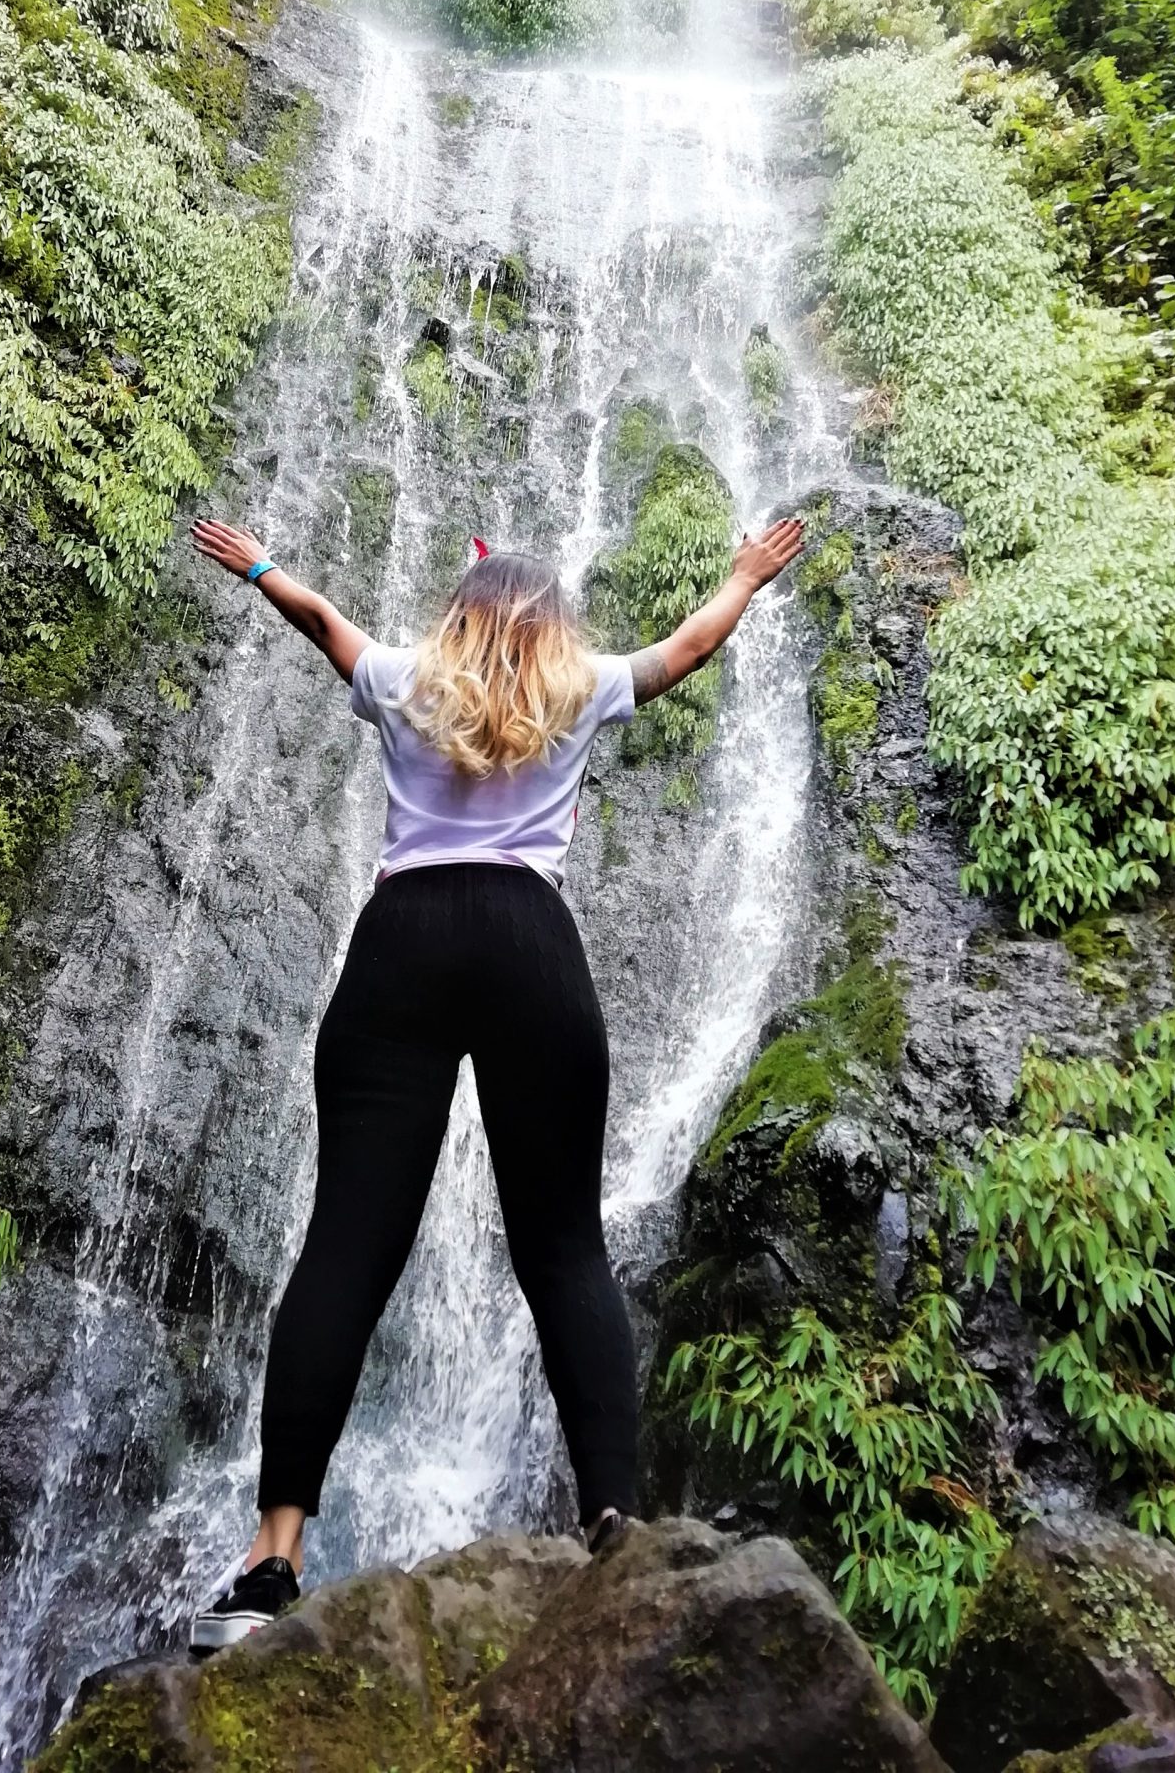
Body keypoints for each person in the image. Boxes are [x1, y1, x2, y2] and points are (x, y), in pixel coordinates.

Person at [185, 511, 806, 1651]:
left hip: (403, 940)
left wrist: (263, 561)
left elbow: (321, 620)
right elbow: (687, 650)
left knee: (346, 1246)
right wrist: (744, 576)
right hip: (531, 943)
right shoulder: (582, 687)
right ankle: (616, 1524)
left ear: (462, 618)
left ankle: (272, 1558)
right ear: (554, 627)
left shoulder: (409, 678)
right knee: (562, 1247)